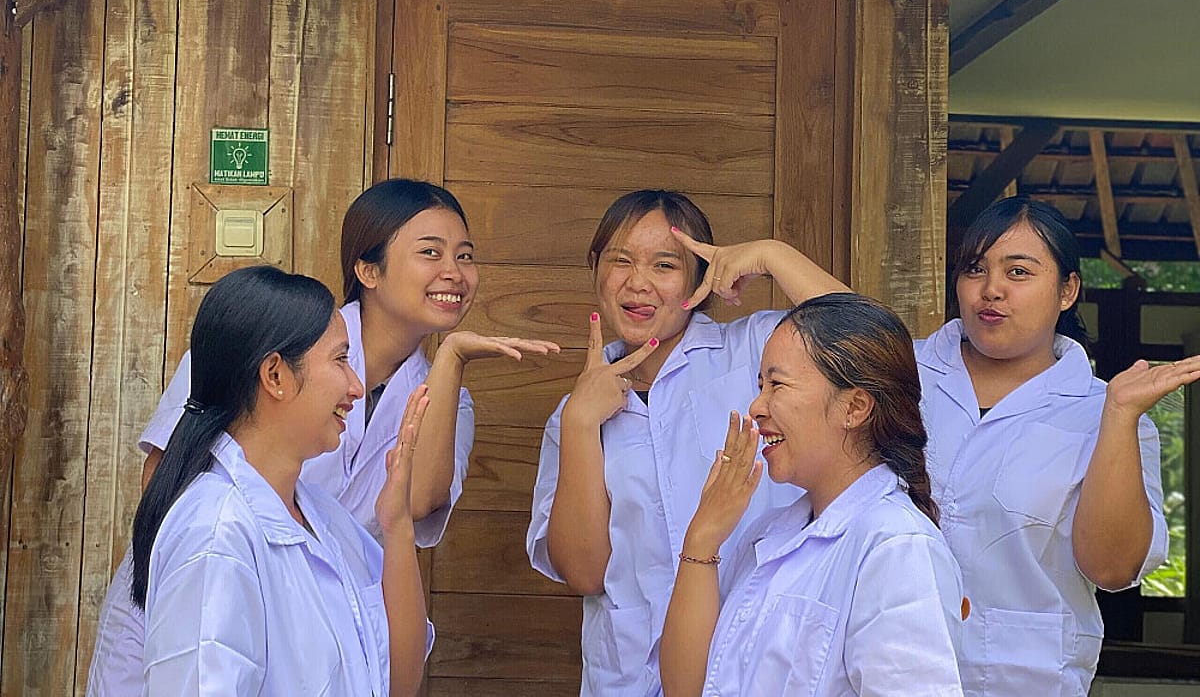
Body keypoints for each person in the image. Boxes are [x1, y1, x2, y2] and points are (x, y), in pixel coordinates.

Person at [675, 195, 1190, 695]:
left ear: (1067, 290)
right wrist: (772, 255)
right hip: (877, 668)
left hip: (1024, 684)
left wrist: (1119, 416)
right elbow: (845, 326)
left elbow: (1112, 568)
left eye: (1018, 272)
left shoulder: (1102, 411)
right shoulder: (910, 372)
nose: (991, 290)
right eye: (975, 269)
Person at [89, 179, 559, 694]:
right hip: (192, 607)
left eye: (465, 255)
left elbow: (414, 504)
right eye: (431, 252)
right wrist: (240, 570)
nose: (454, 272)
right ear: (368, 270)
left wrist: (450, 360)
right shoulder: (264, 340)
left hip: (320, 623)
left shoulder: (444, 399)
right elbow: (166, 475)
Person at [526, 189, 846, 694]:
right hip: (627, 678)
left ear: (699, 281)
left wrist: (771, 254)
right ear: (596, 271)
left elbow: (869, 340)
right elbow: (584, 574)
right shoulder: (574, 413)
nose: (638, 283)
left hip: (754, 666)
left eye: (664, 265)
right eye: (620, 261)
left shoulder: (756, 351)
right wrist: (581, 425)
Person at [131, 265, 430, 694]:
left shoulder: (321, 517)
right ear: (275, 376)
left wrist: (397, 523)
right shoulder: (216, 532)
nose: (355, 386)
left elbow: (396, 682)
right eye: (341, 359)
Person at [660, 293, 964, 696]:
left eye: (777, 385)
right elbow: (687, 688)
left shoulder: (897, 547)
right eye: (760, 385)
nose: (756, 406)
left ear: (854, 408)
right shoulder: (767, 536)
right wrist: (702, 539)